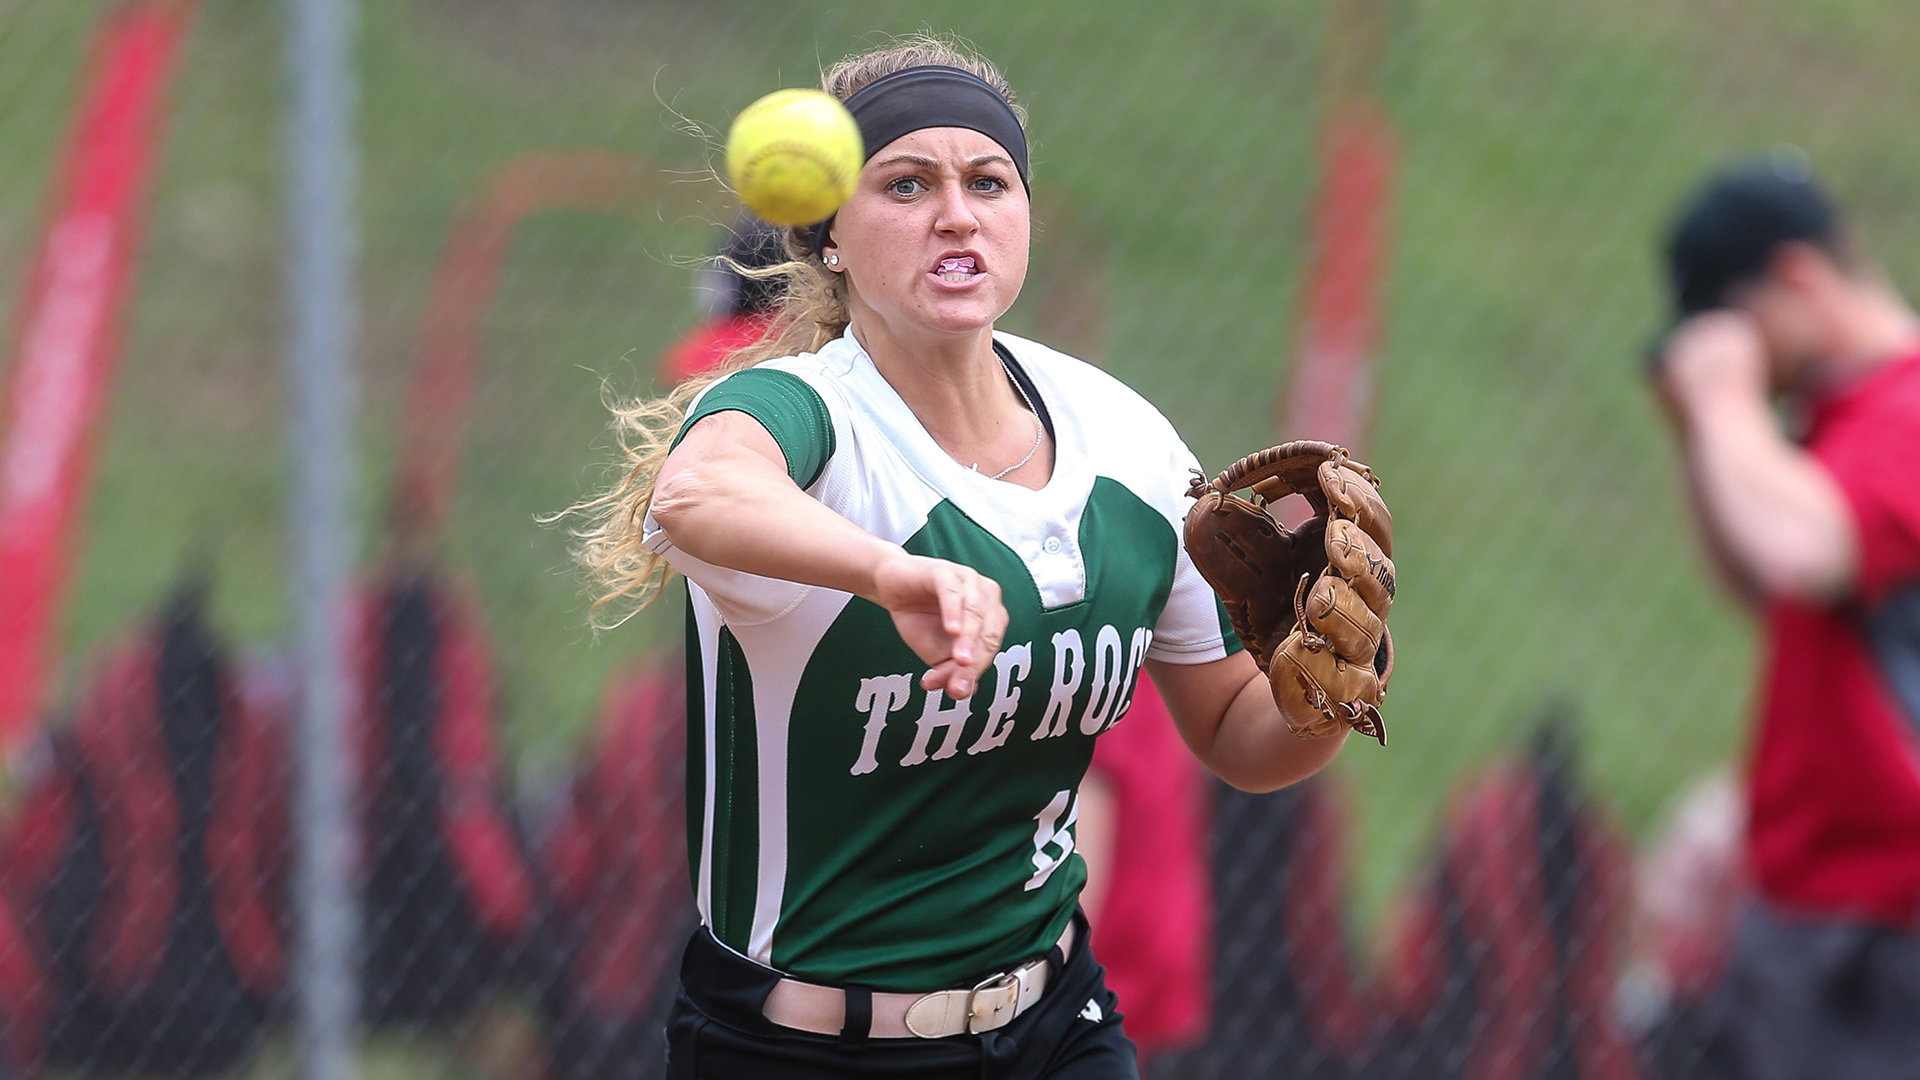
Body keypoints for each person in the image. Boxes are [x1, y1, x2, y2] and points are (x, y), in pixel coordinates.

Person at [568, 36, 1356, 1080]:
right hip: (801, 1049)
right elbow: (698, 492)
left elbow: (1235, 735)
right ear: (832, 240)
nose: (957, 213)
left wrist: (1333, 676)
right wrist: (889, 574)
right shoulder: (804, 412)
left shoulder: (1123, 440)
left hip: (1052, 1027)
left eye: (989, 182)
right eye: (906, 184)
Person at [1648, 153, 1920, 1080]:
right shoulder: (1835, 423)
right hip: (1819, 908)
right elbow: (1765, 583)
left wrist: (1727, 400)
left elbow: (1801, 549)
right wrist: (1703, 433)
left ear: (1798, 278)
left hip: (1884, 925)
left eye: (1736, 327)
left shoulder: (1907, 407)